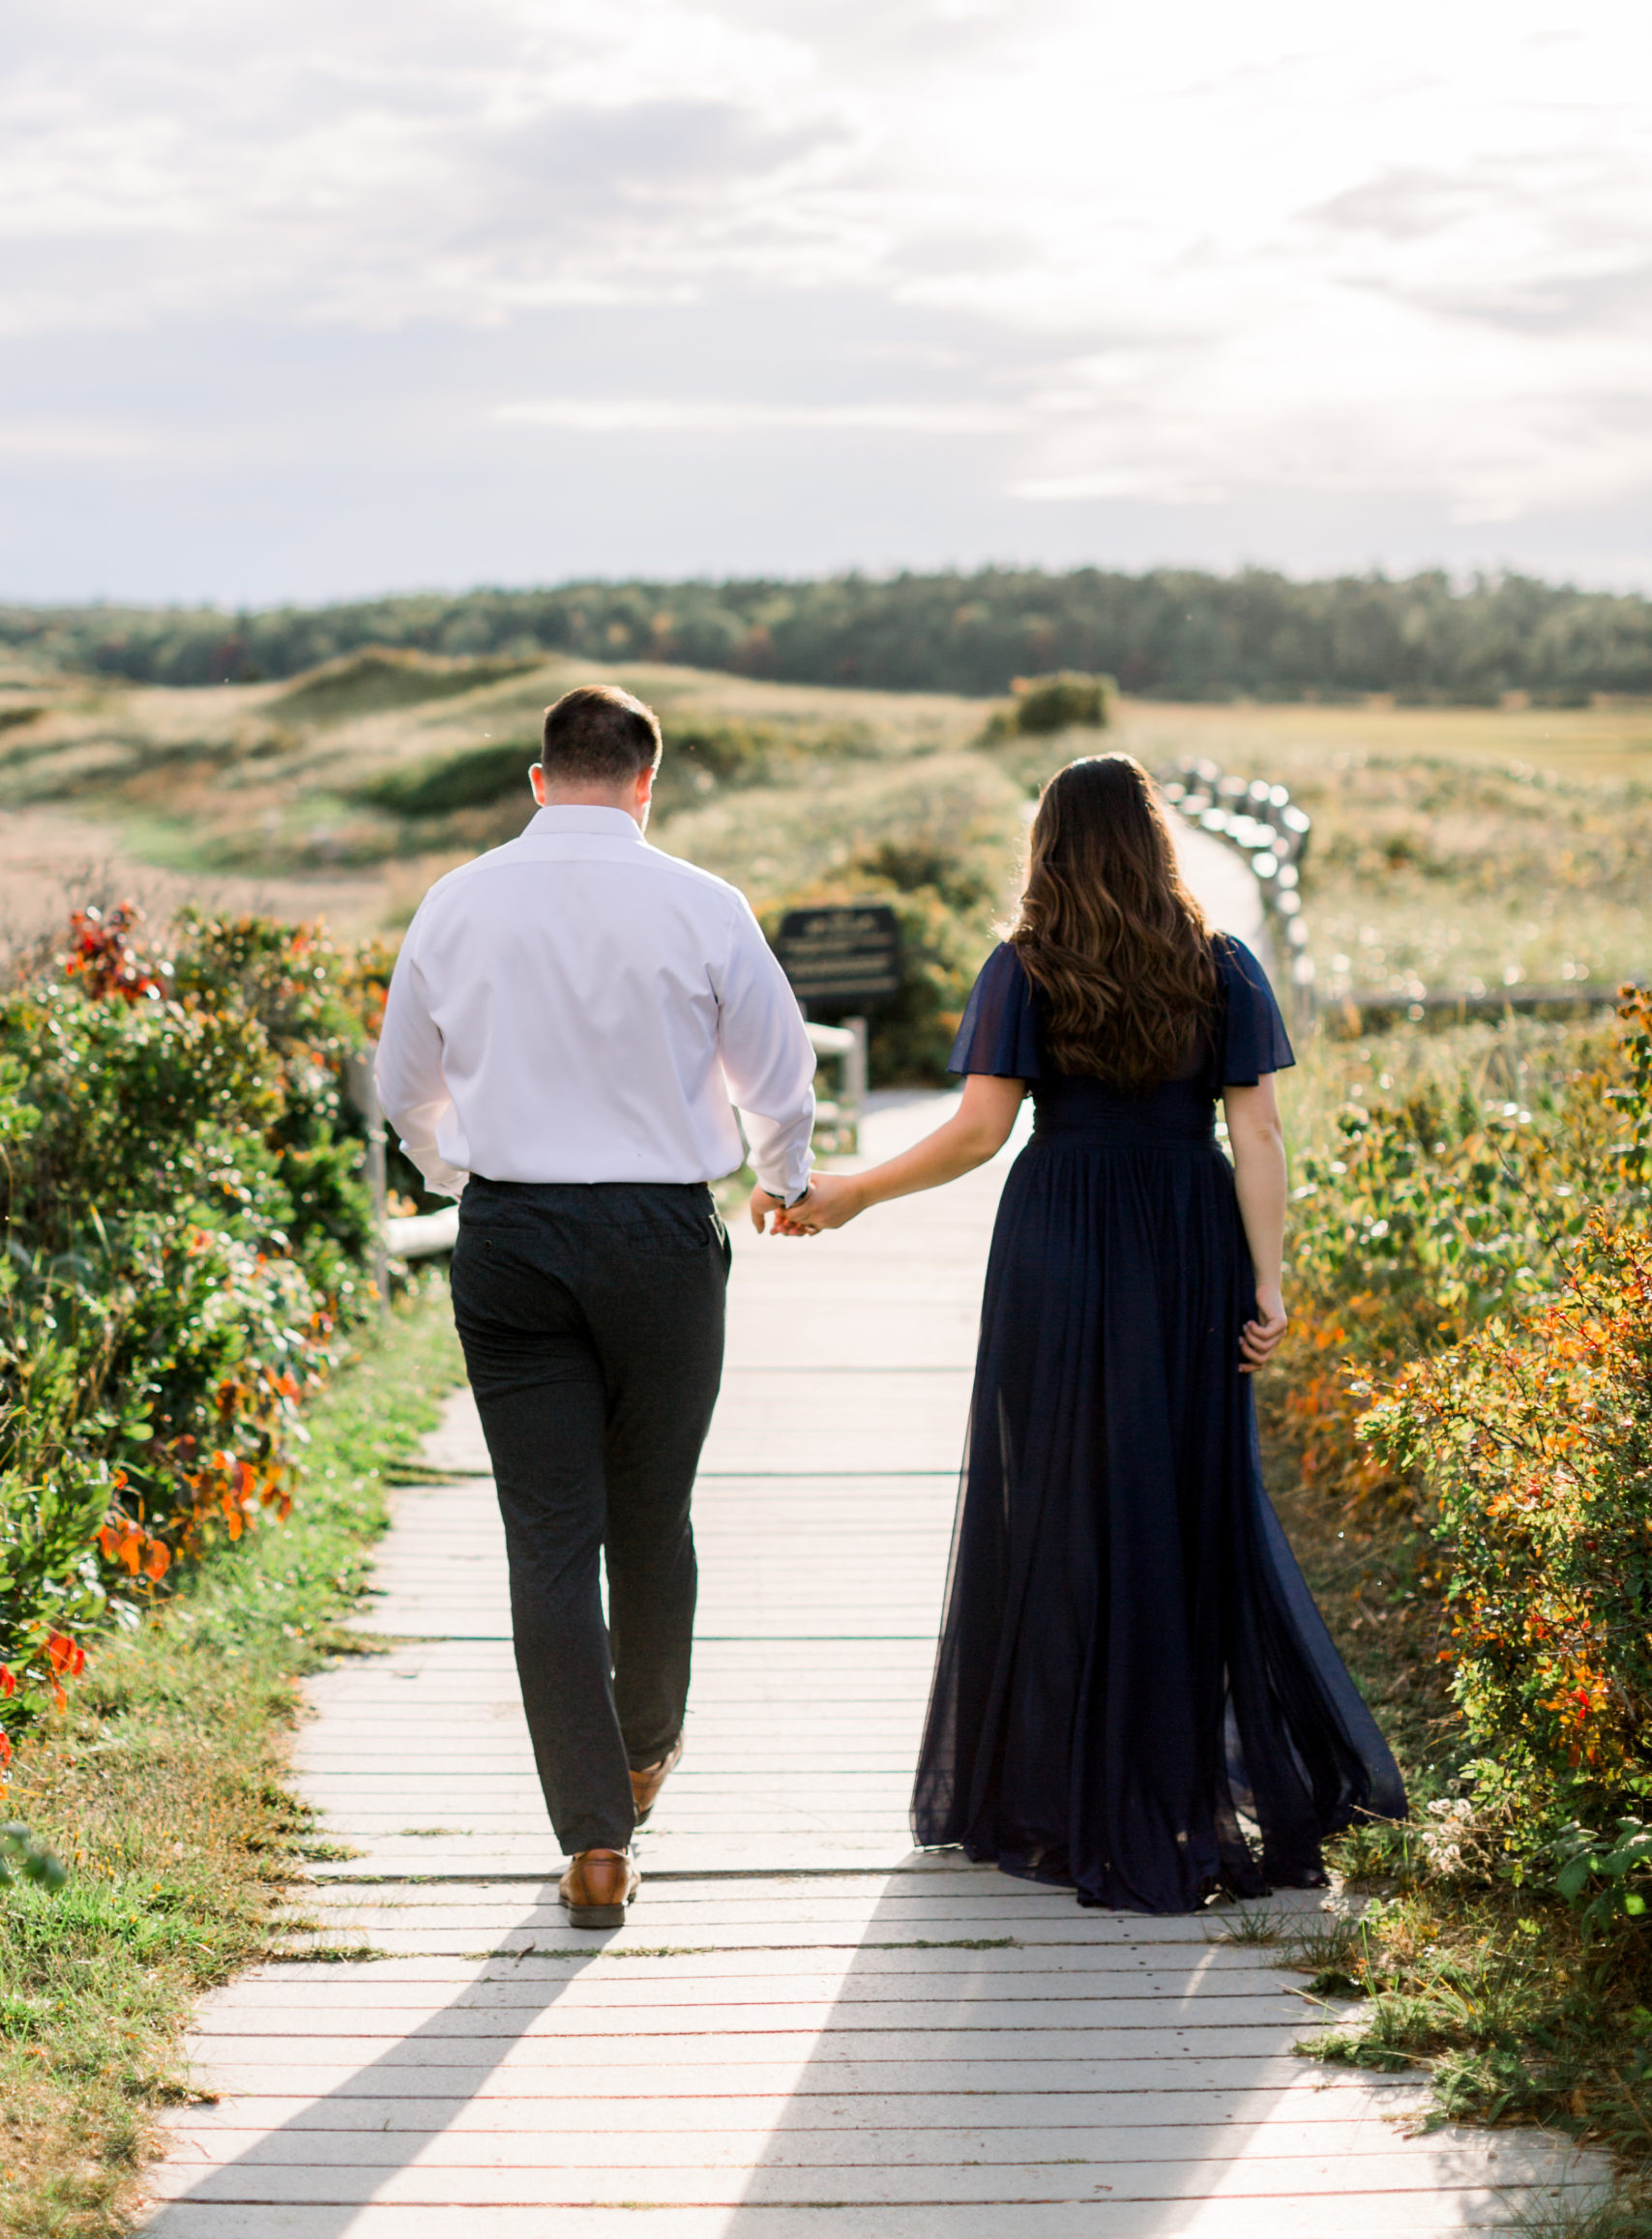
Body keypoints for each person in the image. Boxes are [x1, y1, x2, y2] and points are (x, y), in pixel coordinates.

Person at [769, 753, 1404, 1913]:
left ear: (1047, 845)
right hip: (1184, 1233)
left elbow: (976, 1134)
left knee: (1060, 1495)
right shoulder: (1220, 965)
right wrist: (1267, 1283)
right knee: (1182, 1497)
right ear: (1158, 840)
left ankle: (1062, 1783)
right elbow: (1255, 1134)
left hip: (1059, 1235)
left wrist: (855, 1189)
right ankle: (1173, 1778)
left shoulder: (1023, 966)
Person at [376, 684, 816, 1928]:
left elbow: (403, 1084)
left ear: (536, 779)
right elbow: (779, 1082)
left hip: (511, 1236)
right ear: (643, 782)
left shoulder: (456, 902)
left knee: (549, 1535)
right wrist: (781, 1184)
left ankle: (591, 1843)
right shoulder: (703, 904)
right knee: (651, 1510)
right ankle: (642, 1748)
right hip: (662, 1237)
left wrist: (460, 1172)